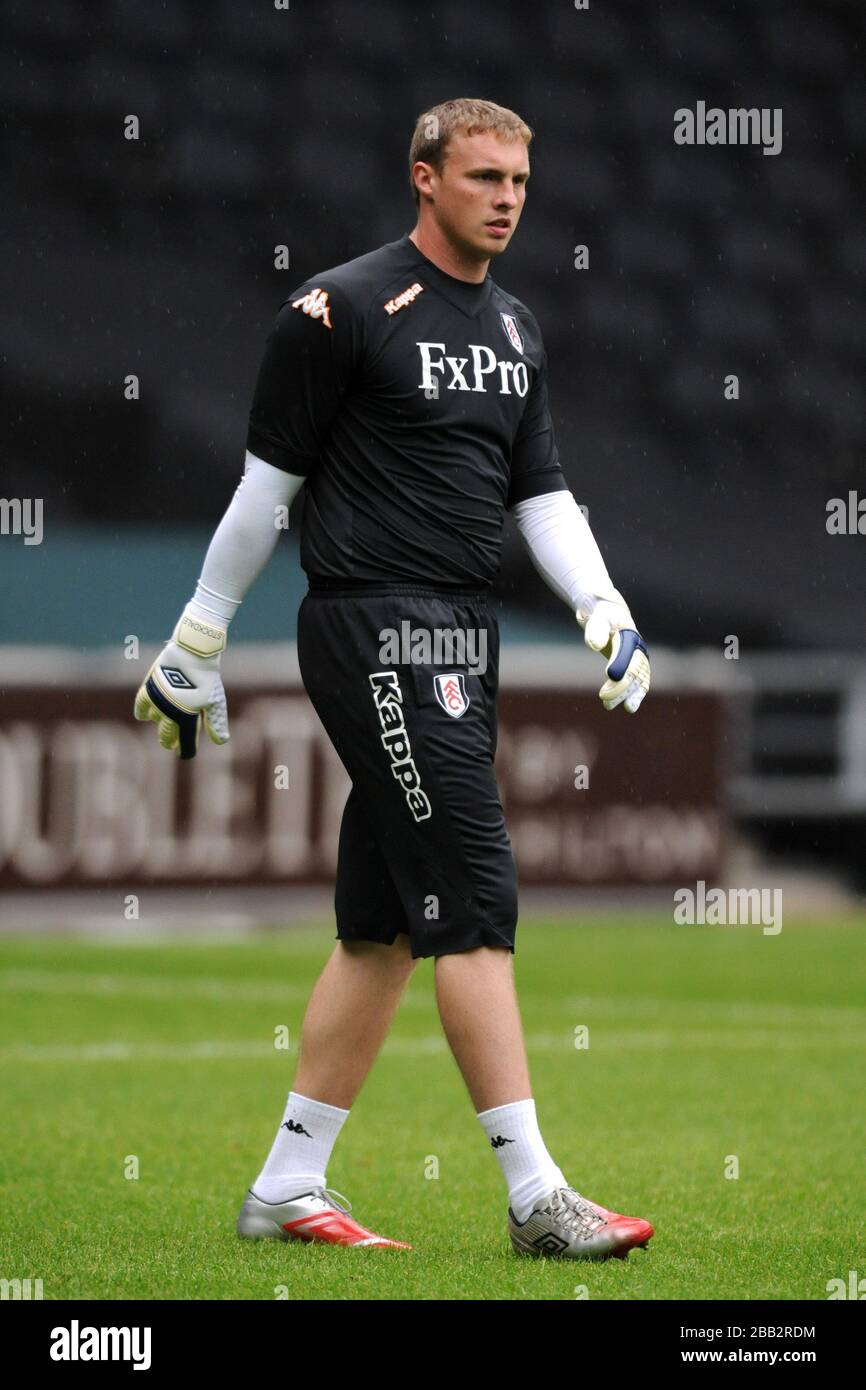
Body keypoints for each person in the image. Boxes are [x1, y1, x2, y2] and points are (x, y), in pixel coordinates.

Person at [134, 97, 653, 1261]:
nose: (507, 196)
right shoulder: (339, 310)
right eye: (481, 176)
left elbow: (540, 493)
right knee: (473, 898)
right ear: (422, 178)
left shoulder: (515, 327)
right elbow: (263, 493)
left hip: (464, 634)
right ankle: (535, 1198)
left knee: (379, 925)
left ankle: (286, 1182)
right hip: (381, 629)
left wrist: (600, 601)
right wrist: (197, 638)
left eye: (519, 177)